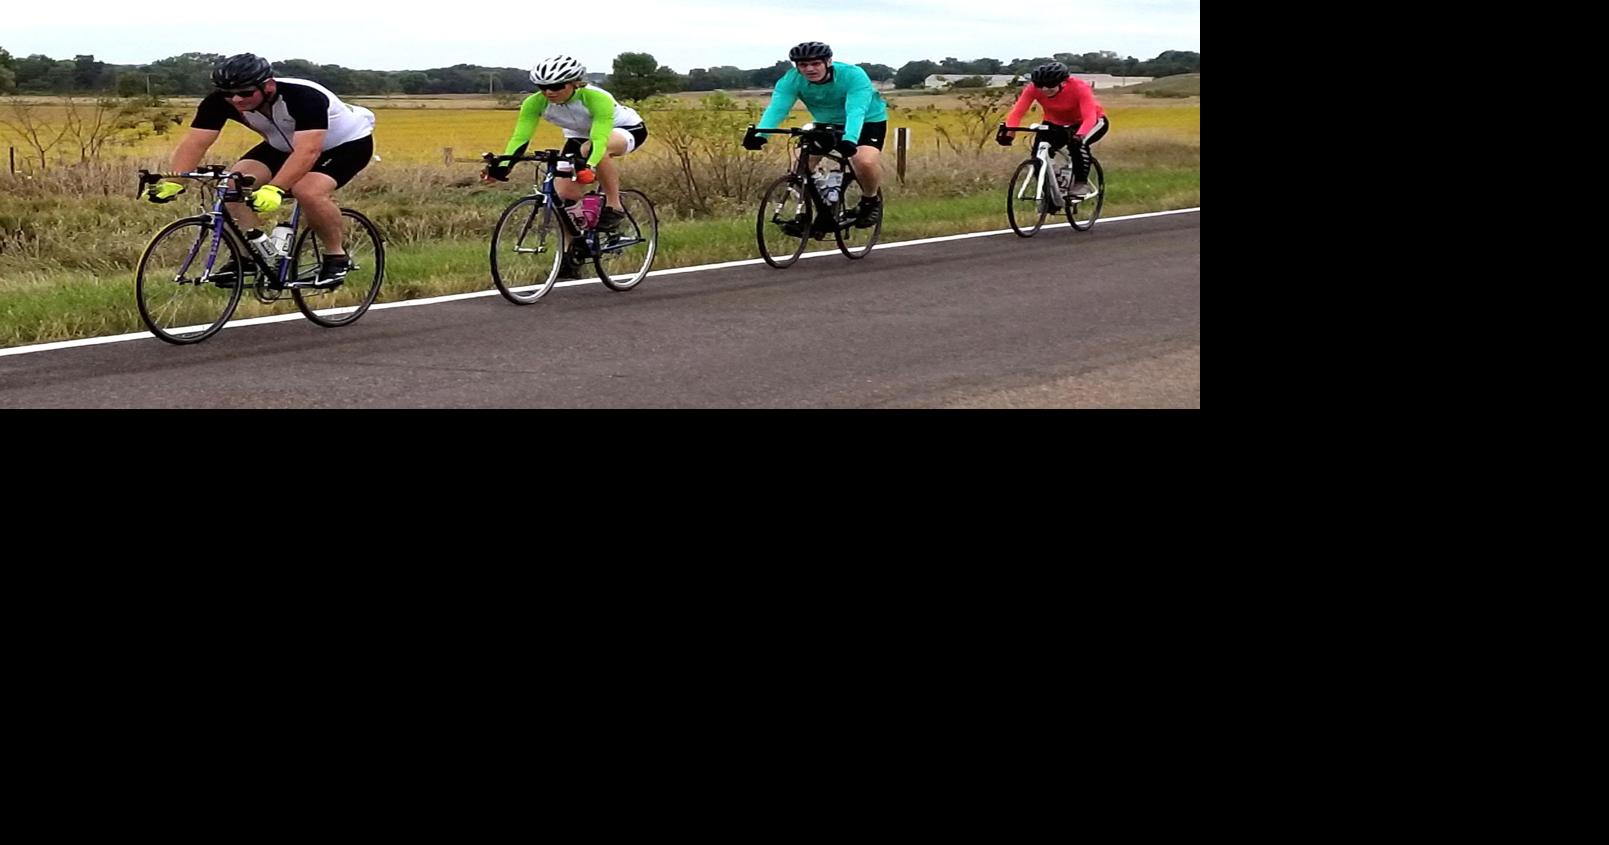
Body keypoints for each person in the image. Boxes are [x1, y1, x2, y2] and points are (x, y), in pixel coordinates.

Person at [144, 53, 376, 287]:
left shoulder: (304, 96)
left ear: (269, 86)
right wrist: (176, 181)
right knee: (231, 186)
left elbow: (308, 151)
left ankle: (336, 257)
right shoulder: (220, 101)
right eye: (228, 93)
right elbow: (196, 143)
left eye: (246, 93)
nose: (236, 99)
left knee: (307, 190)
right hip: (283, 145)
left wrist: (275, 188)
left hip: (345, 145)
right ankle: (251, 257)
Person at [482, 54, 648, 235]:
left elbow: (599, 138)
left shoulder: (596, 98)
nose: (549, 92)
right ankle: (572, 248)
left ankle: (614, 206)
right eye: (542, 87)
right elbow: (520, 138)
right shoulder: (534, 103)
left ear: (575, 83)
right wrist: (503, 166)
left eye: (556, 86)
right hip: (578, 137)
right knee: (564, 198)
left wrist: (588, 166)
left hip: (624, 129)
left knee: (590, 149)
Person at [744, 41, 888, 228]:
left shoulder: (853, 75)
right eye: (803, 65)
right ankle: (823, 205)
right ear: (797, 67)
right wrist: (760, 135)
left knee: (864, 161)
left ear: (828, 62)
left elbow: (856, 110)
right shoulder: (791, 80)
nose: (810, 69)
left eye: (816, 63)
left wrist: (850, 139)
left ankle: (870, 201)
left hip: (867, 120)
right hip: (826, 123)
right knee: (798, 166)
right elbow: (777, 109)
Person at [997, 61, 1108, 201]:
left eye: (1050, 86)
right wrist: (1009, 132)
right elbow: (1017, 112)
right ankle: (1052, 192)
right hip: (1055, 123)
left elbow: (1089, 117)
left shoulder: (1079, 88)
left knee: (1077, 145)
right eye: (1040, 86)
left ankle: (1080, 183)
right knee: (1038, 155)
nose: (1044, 89)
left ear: (1063, 83)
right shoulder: (1033, 89)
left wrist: (1080, 135)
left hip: (1090, 122)